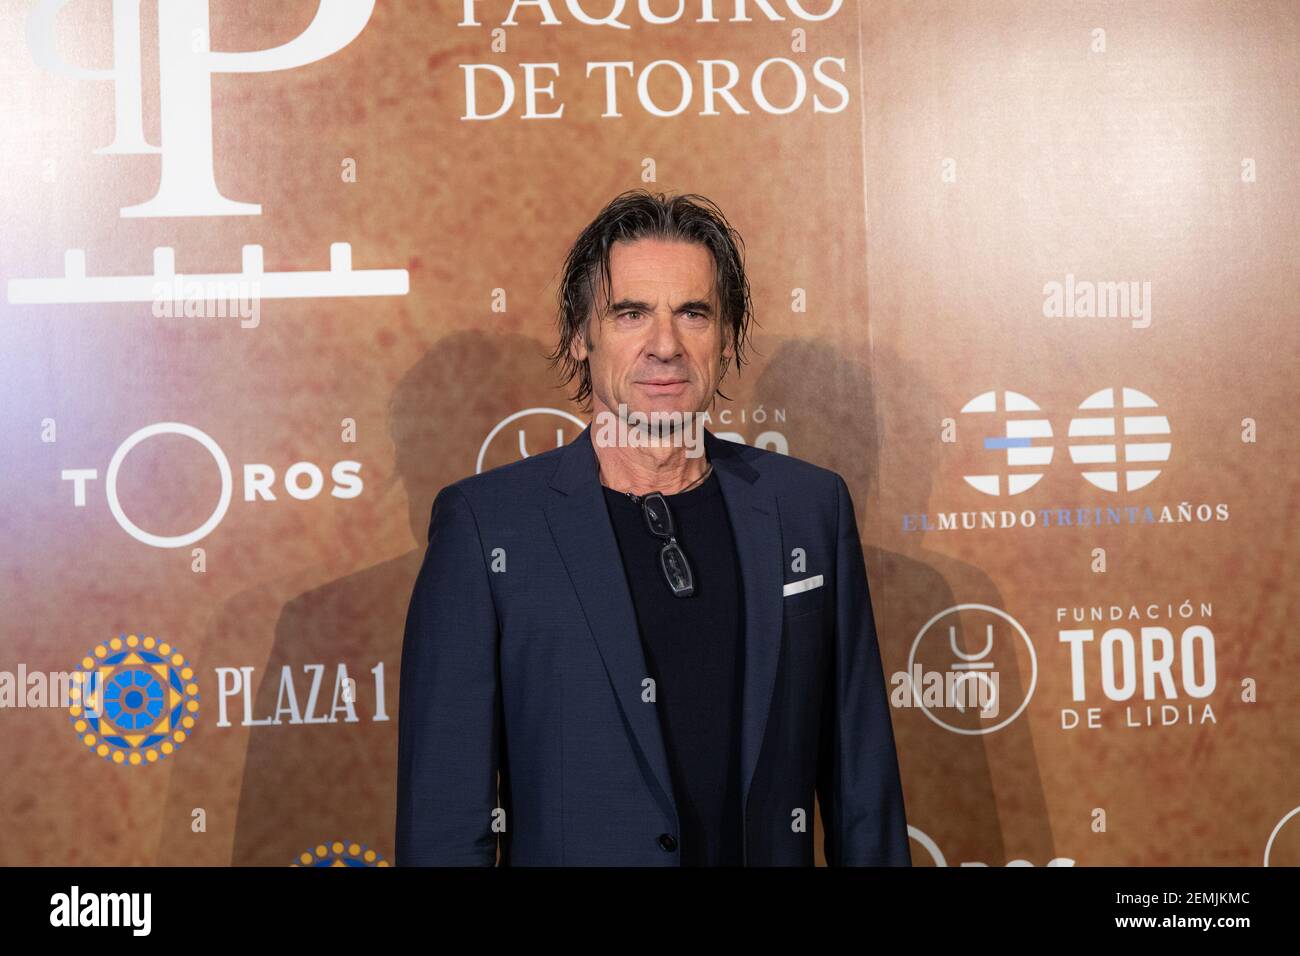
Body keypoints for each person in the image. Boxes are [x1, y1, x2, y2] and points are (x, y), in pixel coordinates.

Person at [395, 189, 909, 866]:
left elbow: (862, 792)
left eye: (692, 314)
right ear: (582, 336)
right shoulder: (489, 527)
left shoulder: (807, 508)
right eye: (630, 313)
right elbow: (443, 821)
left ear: (726, 341)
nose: (664, 345)